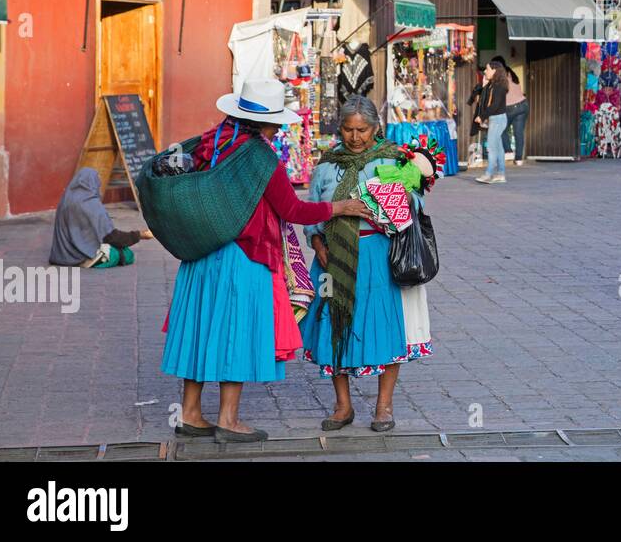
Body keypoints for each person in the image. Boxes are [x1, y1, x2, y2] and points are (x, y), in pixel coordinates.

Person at [161, 80, 372, 443]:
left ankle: (191, 413)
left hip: (202, 254)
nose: (279, 129)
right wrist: (341, 206)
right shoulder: (260, 158)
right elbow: (293, 209)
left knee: (200, 327)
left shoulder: (213, 141)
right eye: (276, 122)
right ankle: (228, 419)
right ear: (264, 123)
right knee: (235, 332)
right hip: (243, 255)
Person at [299, 95, 435, 433]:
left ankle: (383, 407)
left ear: (375, 128)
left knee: (384, 325)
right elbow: (313, 211)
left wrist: (399, 197)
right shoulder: (327, 166)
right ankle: (342, 406)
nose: (355, 137)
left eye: (362, 130)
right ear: (340, 128)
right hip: (333, 258)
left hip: (378, 254)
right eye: (348, 129)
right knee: (334, 326)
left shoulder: (391, 160)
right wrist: (317, 242)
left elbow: (414, 203)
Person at [49, 167, 141, 269]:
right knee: (126, 254)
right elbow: (111, 236)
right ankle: (92, 259)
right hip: (81, 255)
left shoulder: (65, 199)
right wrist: (139, 235)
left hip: (61, 254)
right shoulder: (91, 204)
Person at [474, 59, 509, 184]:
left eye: (487, 69)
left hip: (498, 119)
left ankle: (488, 174)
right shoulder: (493, 85)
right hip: (496, 119)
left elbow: (494, 105)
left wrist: (482, 116)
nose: (485, 71)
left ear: (494, 70)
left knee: (491, 147)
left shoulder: (499, 86)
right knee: (498, 148)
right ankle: (501, 174)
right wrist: (485, 85)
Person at [496, 57, 529, 166]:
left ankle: (508, 151)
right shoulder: (511, 72)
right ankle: (519, 159)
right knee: (518, 133)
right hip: (523, 105)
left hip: (510, 107)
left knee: (500, 128)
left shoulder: (500, 77)